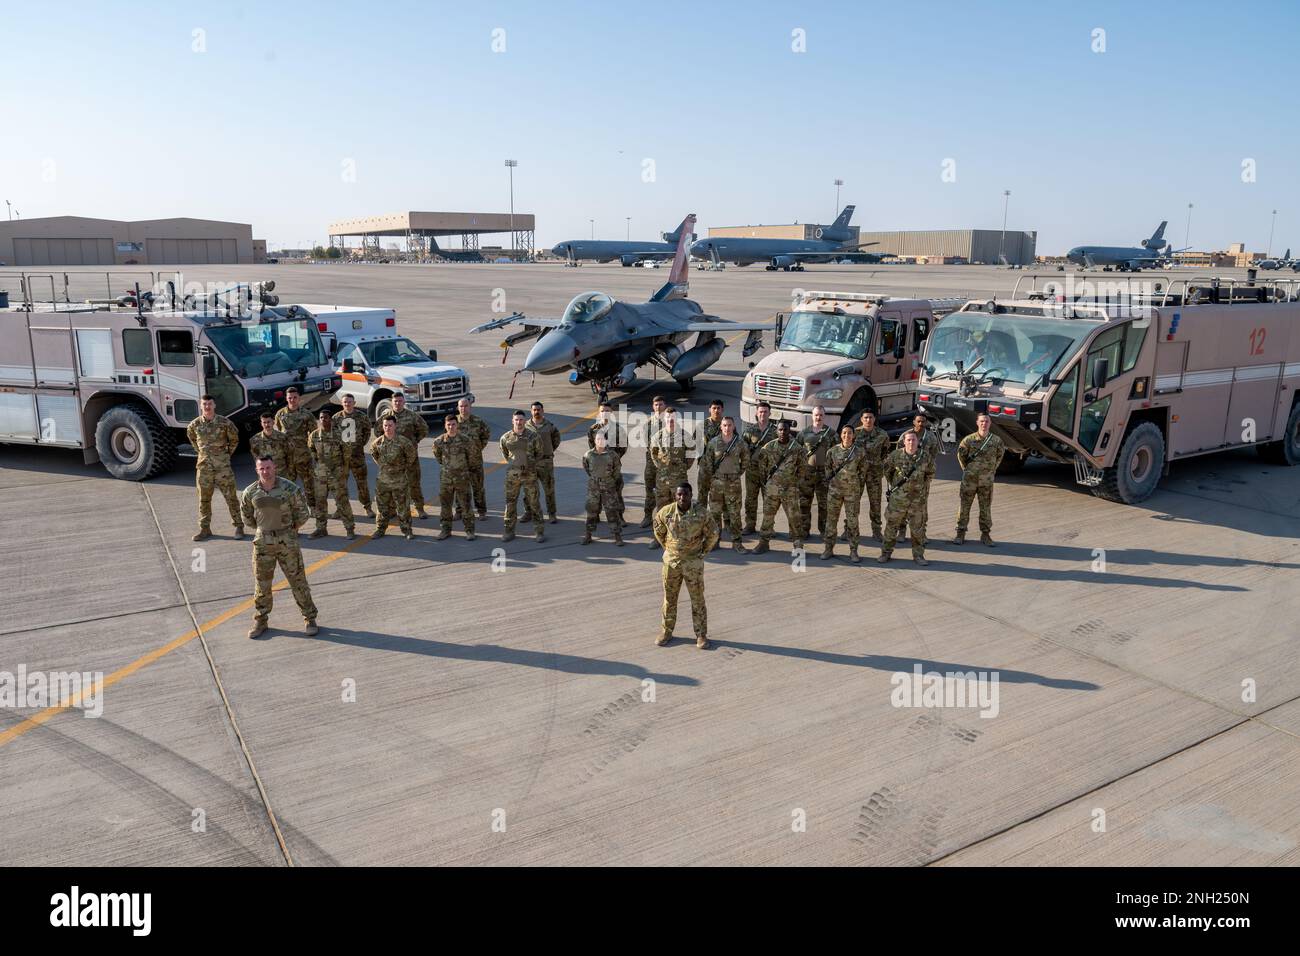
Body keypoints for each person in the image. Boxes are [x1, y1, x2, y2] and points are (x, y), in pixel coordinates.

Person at [241, 455, 318, 639]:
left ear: (274, 467)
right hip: (263, 543)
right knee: (262, 584)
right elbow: (247, 517)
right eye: (261, 468)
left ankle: (309, 618)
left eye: (268, 467)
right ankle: (261, 620)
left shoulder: (290, 489)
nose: (265, 472)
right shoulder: (250, 492)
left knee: (298, 581)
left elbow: (303, 513)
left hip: (287, 541)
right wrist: (265, 528)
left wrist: (289, 530)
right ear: (256, 470)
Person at [653, 482, 719, 650]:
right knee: (669, 599)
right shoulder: (666, 512)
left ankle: (701, 635)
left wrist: (702, 553)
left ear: (691, 495)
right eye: (679, 494)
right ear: (675, 495)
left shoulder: (702, 514)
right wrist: (668, 550)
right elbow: (658, 530)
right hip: (672, 563)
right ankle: (666, 632)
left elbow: (713, 534)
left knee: (697, 599)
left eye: (686, 494)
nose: (682, 498)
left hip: (693, 563)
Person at [186, 395, 243, 541]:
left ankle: (238, 526)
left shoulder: (225, 423)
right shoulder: (194, 425)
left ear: (214, 405)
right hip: (204, 468)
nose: (207, 407)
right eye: (204, 404)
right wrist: (202, 453)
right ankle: (205, 529)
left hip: (222, 467)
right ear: (201, 406)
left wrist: (225, 455)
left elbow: (234, 439)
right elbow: (192, 439)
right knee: (204, 500)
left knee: (231, 497)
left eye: (209, 404)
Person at [752, 420, 807, 554]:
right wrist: (770, 482)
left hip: (790, 489)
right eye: (780, 430)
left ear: (790, 431)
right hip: (773, 489)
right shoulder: (768, 447)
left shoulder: (797, 449)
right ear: (776, 431)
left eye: (785, 430)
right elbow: (762, 468)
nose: (783, 432)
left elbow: (802, 469)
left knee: (794, 518)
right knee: (767, 517)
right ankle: (764, 543)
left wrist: (794, 483)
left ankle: (798, 545)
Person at [952, 412, 1006, 547]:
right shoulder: (968, 440)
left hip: (986, 481)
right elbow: (961, 457)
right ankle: (960, 533)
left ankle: (986, 534)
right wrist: (968, 470)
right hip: (969, 480)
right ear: (977, 423)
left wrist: (990, 471)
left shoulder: (996, 441)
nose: (984, 424)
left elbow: (999, 457)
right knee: (964, 507)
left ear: (990, 423)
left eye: (986, 421)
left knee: (985, 508)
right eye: (981, 421)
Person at [698, 415, 749, 552]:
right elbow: (708, 463)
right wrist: (713, 479)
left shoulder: (740, 443)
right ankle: (715, 541)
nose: (727, 428)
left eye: (729, 425)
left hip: (733, 483)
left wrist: (736, 474)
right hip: (717, 483)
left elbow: (745, 461)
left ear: (734, 426)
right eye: (724, 425)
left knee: (735, 514)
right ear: (721, 427)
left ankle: (737, 542)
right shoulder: (713, 443)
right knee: (715, 513)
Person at [879, 430, 930, 565]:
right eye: (908, 440)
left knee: (917, 529)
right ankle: (885, 553)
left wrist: (919, 488)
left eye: (914, 440)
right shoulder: (895, 455)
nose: (911, 442)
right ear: (904, 442)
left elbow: (929, 474)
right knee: (891, 527)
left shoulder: (925, 456)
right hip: (898, 500)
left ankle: (918, 556)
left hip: (917, 501)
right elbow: (888, 472)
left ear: (918, 442)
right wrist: (897, 488)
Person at [307, 409, 355, 540]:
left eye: (326, 417)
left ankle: (350, 528)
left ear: (331, 420)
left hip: (336, 473)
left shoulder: (340, 434)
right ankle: (321, 528)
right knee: (320, 502)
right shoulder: (314, 435)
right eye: (321, 418)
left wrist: (343, 470)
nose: (323, 420)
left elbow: (347, 453)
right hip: (320, 473)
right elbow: (311, 450)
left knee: (342, 501)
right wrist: (318, 465)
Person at [822, 425, 867, 562]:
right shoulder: (832, 451)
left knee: (853, 522)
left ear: (854, 436)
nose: (847, 436)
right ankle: (828, 549)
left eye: (849, 433)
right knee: (831, 521)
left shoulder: (859, 452)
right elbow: (827, 470)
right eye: (844, 433)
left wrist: (854, 484)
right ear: (841, 435)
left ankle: (853, 551)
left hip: (851, 492)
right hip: (835, 492)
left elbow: (862, 471)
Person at [499, 410, 544, 543]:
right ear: (512, 421)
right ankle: (509, 531)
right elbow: (506, 455)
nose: (519, 422)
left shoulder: (533, 436)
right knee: (510, 504)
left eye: (521, 420)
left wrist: (529, 464)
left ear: (525, 421)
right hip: (513, 476)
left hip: (530, 475)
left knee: (534, 503)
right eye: (516, 420)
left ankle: (539, 532)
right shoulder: (505, 438)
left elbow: (539, 453)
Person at [368, 415, 416, 540]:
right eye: (385, 425)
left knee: (403, 506)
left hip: (399, 480)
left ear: (395, 426)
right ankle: (380, 529)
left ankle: (407, 530)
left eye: (390, 425)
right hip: (383, 481)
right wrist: (385, 467)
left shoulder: (403, 442)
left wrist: (401, 467)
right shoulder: (377, 443)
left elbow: (411, 456)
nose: (387, 428)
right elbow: (375, 455)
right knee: (381, 506)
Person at [649, 409, 690, 550]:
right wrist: (661, 468)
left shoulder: (684, 435)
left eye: (672, 418)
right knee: (661, 509)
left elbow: (691, 452)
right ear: (664, 419)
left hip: (679, 481)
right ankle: (659, 537)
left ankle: (679, 538)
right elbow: (653, 454)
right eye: (667, 418)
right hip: (662, 480)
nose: (670, 421)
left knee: (680, 509)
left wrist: (683, 467)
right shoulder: (657, 436)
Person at [273, 386, 318, 515]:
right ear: (286, 399)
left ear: (299, 398)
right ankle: (292, 507)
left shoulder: (307, 415)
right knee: (288, 485)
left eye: (295, 397)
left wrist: (313, 453)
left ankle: (312, 507)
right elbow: (279, 433)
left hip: (303, 456)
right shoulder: (280, 414)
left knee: (308, 483)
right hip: (287, 457)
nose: (292, 400)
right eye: (289, 398)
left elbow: (313, 435)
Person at [432, 416, 476, 540]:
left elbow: (471, 458)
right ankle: (445, 530)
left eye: (453, 424)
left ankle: (470, 531)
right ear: (445, 426)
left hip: (462, 479)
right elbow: (438, 457)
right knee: (445, 506)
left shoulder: (465, 440)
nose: (451, 427)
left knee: (466, 505)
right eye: (449, 424)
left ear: (457, 425)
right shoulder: (438, 442)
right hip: (446, 479)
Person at [332, 393, 373, 518]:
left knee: (362, 483)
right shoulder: (336, 418)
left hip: (357, 456)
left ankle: (367, 507)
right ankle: (340, 508)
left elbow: (367, 431)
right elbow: (332, 436)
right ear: (342, 403)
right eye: (345, 402)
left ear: (354, 403)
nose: (347, 404)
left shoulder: (361, 417)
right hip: (341, 458)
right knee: (340, 485)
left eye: (349, 402)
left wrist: (360, 444)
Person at [389, 393, 430, 519]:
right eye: (395, 401)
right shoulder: (386, 417)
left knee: (414, 483)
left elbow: (424, 429)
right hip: (393, 458)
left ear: (404, 401)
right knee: (394, 484)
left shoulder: (412, 416)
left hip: (410, 457)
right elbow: (378, 432)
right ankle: (393, 510)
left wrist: (414, 441)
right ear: (392, 402)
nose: (397, 403)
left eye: (400, 401)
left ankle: (420, 509)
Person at [798, 405, 836, 539]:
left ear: (824, 416)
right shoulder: (804, 433)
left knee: (824, 504)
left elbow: (836, 453)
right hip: (807, 474)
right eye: (816, 415)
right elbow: (796, 451)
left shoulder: (831, 433)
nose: (818, 417)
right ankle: (804, 529)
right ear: (812, 416)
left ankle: (824, 530)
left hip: (824, 474)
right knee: (804, 503)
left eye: (821, 415)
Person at [853, 409, 891, 540]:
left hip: (874, 475)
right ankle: (850, 529)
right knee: (853, 503)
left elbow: (886, 454)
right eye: (866, 418)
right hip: (858, 475)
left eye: (870, 417)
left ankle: (876, 531)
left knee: (875, 504)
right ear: (862, 419)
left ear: (874, 419)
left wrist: (882, 469)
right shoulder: (854, 433)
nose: (868, 420)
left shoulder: (882, 435)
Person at [581, 431, 623, 545]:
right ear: (594, 441)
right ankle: (588, 535)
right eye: (597, 439)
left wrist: (609, 480)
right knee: (591, 511)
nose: (600, 441)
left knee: (612, 511)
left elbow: (617, 469)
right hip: (593, 487)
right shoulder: (588, 455)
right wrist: (595, 479)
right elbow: (586, 467)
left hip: (608, 486)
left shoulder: (612, 455)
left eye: (602, 439)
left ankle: (617, 536)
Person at [588, 401, 628, 521]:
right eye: (602, 411)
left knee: (616, 491)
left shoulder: (618, 429)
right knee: (597, 492)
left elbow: (623, 447)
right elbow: (591, 446)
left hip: (613, 467)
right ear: (599, 413)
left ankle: (619, 516)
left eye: (607, 411)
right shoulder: (593, 429)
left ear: (611, 413)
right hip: (598, 467)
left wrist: (613, 460)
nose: (604, 413)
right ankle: (596, 515)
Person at [741, 401, 778, 533]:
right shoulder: (749, 431)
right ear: (756, 413)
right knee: (750, 499)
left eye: (765, 412)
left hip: (769, 472)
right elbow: (742, 449)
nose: (763, 414)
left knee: (769, 500)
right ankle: (750, 525)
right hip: (752, 470)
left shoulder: (775, 431)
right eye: (760, 411)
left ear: (769, 413)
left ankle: (768, 527)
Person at [524, 401, 562, 524]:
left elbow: (556, 439)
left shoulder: (549, 426)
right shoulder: (525, 426)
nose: (537, 412)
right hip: (530, 463)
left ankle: (552, 514)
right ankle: (528, 512)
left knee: (549, 489)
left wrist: (549, 450)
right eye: (534, 410)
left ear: (542, 410)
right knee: (529, 489)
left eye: (539, 409)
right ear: (531, 411)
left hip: (546, 462)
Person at [457, 396, 492, 521]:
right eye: (461, 406)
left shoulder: (478, 421)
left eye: (466, 406)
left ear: (470, 407)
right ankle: (459, 511)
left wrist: (477, 448)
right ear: (458, 407)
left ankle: (481, 511)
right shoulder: (454, 422)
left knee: (478, 487)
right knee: (460, 487)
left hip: (475, 461)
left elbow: (486, 435)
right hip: (459, 463)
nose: (463, 408)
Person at [639, 395, 668, 528]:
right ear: (653, 406)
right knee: (649, 489)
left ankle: (662, 520)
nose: (658, 407)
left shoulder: (670, 422)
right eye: (656, 405)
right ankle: (647, 516)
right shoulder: (648, 424)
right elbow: (647, 443)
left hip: (665, 463)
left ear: (665, 406)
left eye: (661, 404)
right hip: (651, 462)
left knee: (665, 493)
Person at [696, 400, 724, 504]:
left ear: (722, 410)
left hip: (720, 467)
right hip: (704, 466)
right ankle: (701, 518)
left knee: (717, 497)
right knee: (702, 494)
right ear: (709, 410)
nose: (716, 411)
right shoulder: (702, 425)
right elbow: (694, 444)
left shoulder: (726, 425)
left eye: (718, 408)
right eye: (714, 408)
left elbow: (734, 442)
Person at [250, 410, 289, 476]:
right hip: (265, 474)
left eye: (268, 422)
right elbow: (256, 459)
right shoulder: (254, 440)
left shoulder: (282, 437)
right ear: (261, 423)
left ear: (273, 422)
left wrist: (290, 472)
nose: (266, 425)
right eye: (264, 422)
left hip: (282, 473)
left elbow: (289, 456)